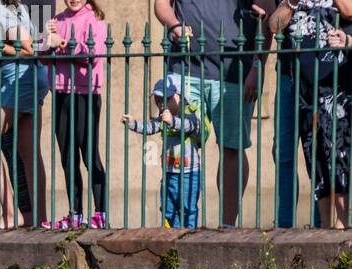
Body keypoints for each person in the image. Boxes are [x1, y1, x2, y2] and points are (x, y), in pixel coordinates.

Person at [154, 0, 268, 228]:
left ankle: (227, 226)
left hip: (234, 70)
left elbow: (267, 17)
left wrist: (258, 66)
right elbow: (161, 4)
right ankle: (178, 225)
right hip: (185, 66)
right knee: (179, 146)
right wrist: (174, 25)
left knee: (231, 147)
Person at [271, 0, 351, 229]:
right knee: (313, 153)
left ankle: (340, 225)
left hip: (334, 82)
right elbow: (274, 26)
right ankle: (325, 226)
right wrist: (292, 3)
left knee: (336, 153)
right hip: (301, 84)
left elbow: (348, 11)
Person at [0, 1, 52, 228]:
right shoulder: (15, 7)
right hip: (32, 78)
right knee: (28, 150)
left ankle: (11, 214)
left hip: (19, 80)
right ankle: (39, 218)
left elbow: (27, 50)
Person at [43, 0, 109, 229]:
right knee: (67, 156)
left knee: (89, 154)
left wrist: (60, 43)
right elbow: (43, 57)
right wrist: (46, 41)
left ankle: (101, 214)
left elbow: (92, 54)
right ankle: (76, 214)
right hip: (61, 91)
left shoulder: (95, 19)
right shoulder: (58, 20)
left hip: (85, 92)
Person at [122, 76, 204, 227]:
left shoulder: (190, 113)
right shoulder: (162, 119)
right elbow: (150, 127)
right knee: (168, 209)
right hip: (169, 173)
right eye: (158, 100)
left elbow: (191, 125)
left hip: (189, 173)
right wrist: (133, 124)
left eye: (166, 98)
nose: (161, 104)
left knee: (188, 209)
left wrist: (173, 122)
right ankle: (173, 237)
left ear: (179, 96)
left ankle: (188, 237)